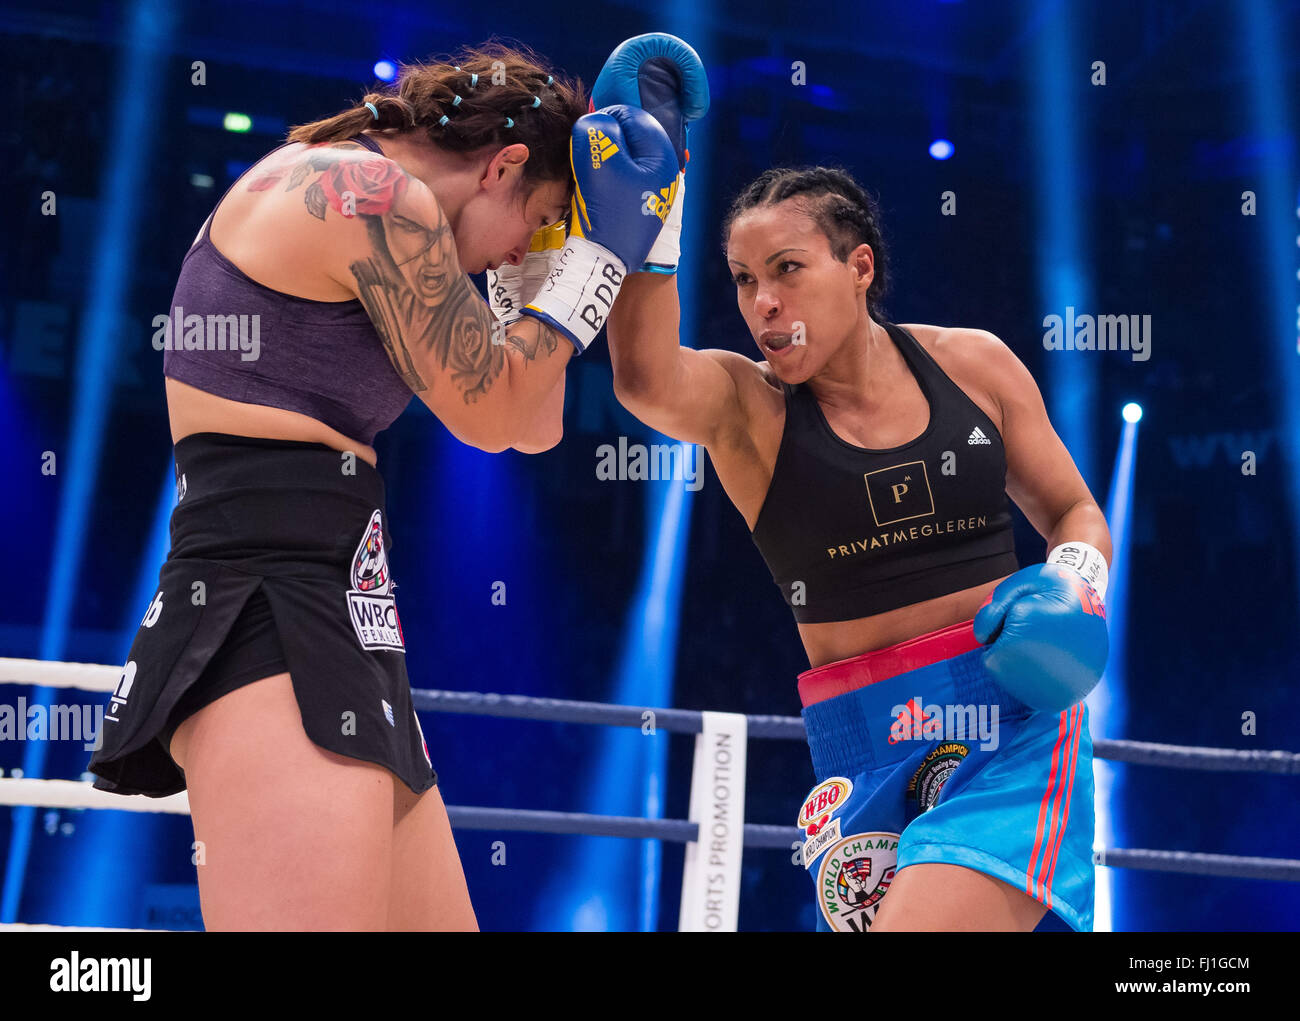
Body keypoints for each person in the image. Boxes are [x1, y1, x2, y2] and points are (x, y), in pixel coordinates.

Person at [87, 42, 678, 931]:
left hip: (347, 606)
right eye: (538, 218)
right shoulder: (368, 195)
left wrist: (549, 264)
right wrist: (595, 258)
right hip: (266, 600)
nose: (524, 244)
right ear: (503, 165)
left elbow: (530, 423)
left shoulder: (411, 229)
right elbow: (489, 413)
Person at [601, 40, 1110, 931]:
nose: (763, 302)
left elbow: (1074, 510)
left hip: (1009, 723)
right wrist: (653, 211)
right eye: (746, 280)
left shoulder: (975, 365)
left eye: (788, 270)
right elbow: (644, 379)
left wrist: (1072, 582)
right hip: (859, 747)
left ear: (860, 267)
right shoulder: (746, 411)